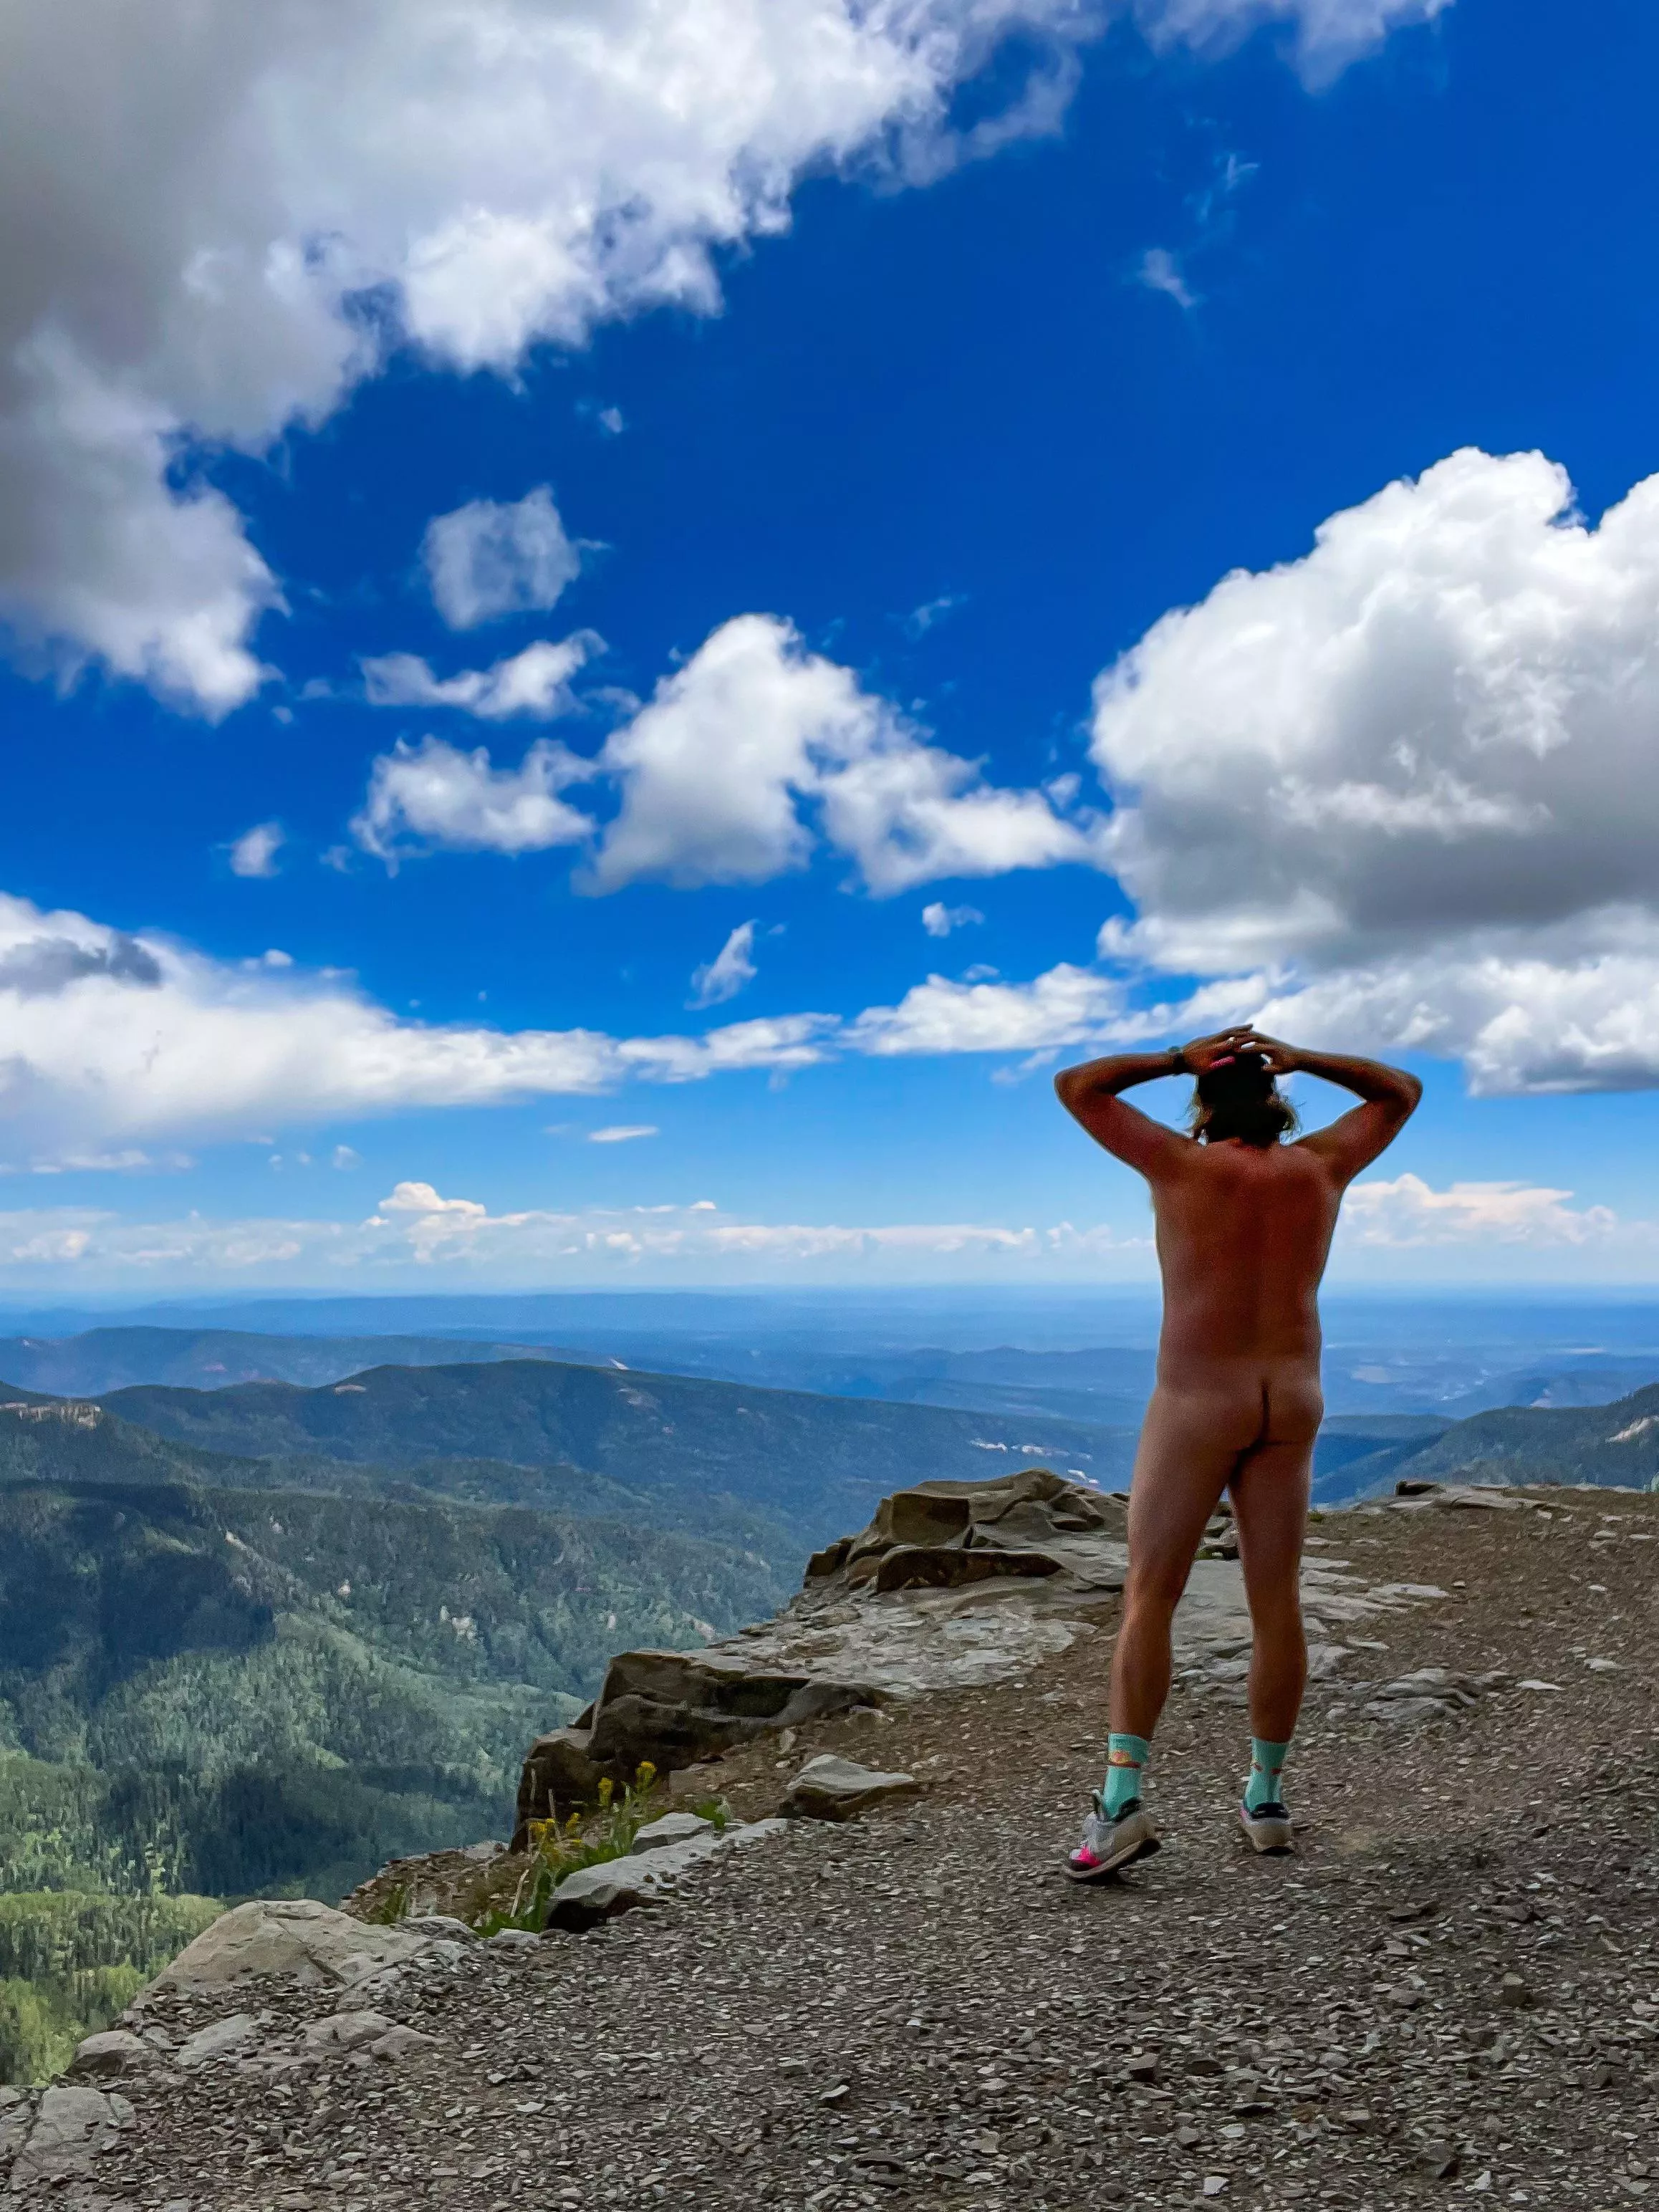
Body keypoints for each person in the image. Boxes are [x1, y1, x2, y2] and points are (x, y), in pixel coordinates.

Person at [1052, 1026, 1421, 1877]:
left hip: (1198, 1401)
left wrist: (1177, 1059)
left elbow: (1080, 1085)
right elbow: (1400, 1090)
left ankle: (1119, 1808)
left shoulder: (1182, 1166)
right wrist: (1313, 1055)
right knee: (1275, 1599)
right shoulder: (1320, 1168)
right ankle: (1265, 1799)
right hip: (1291, 1400)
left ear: (1205, 1105)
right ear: (1278, 1099)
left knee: (1150, 1595)